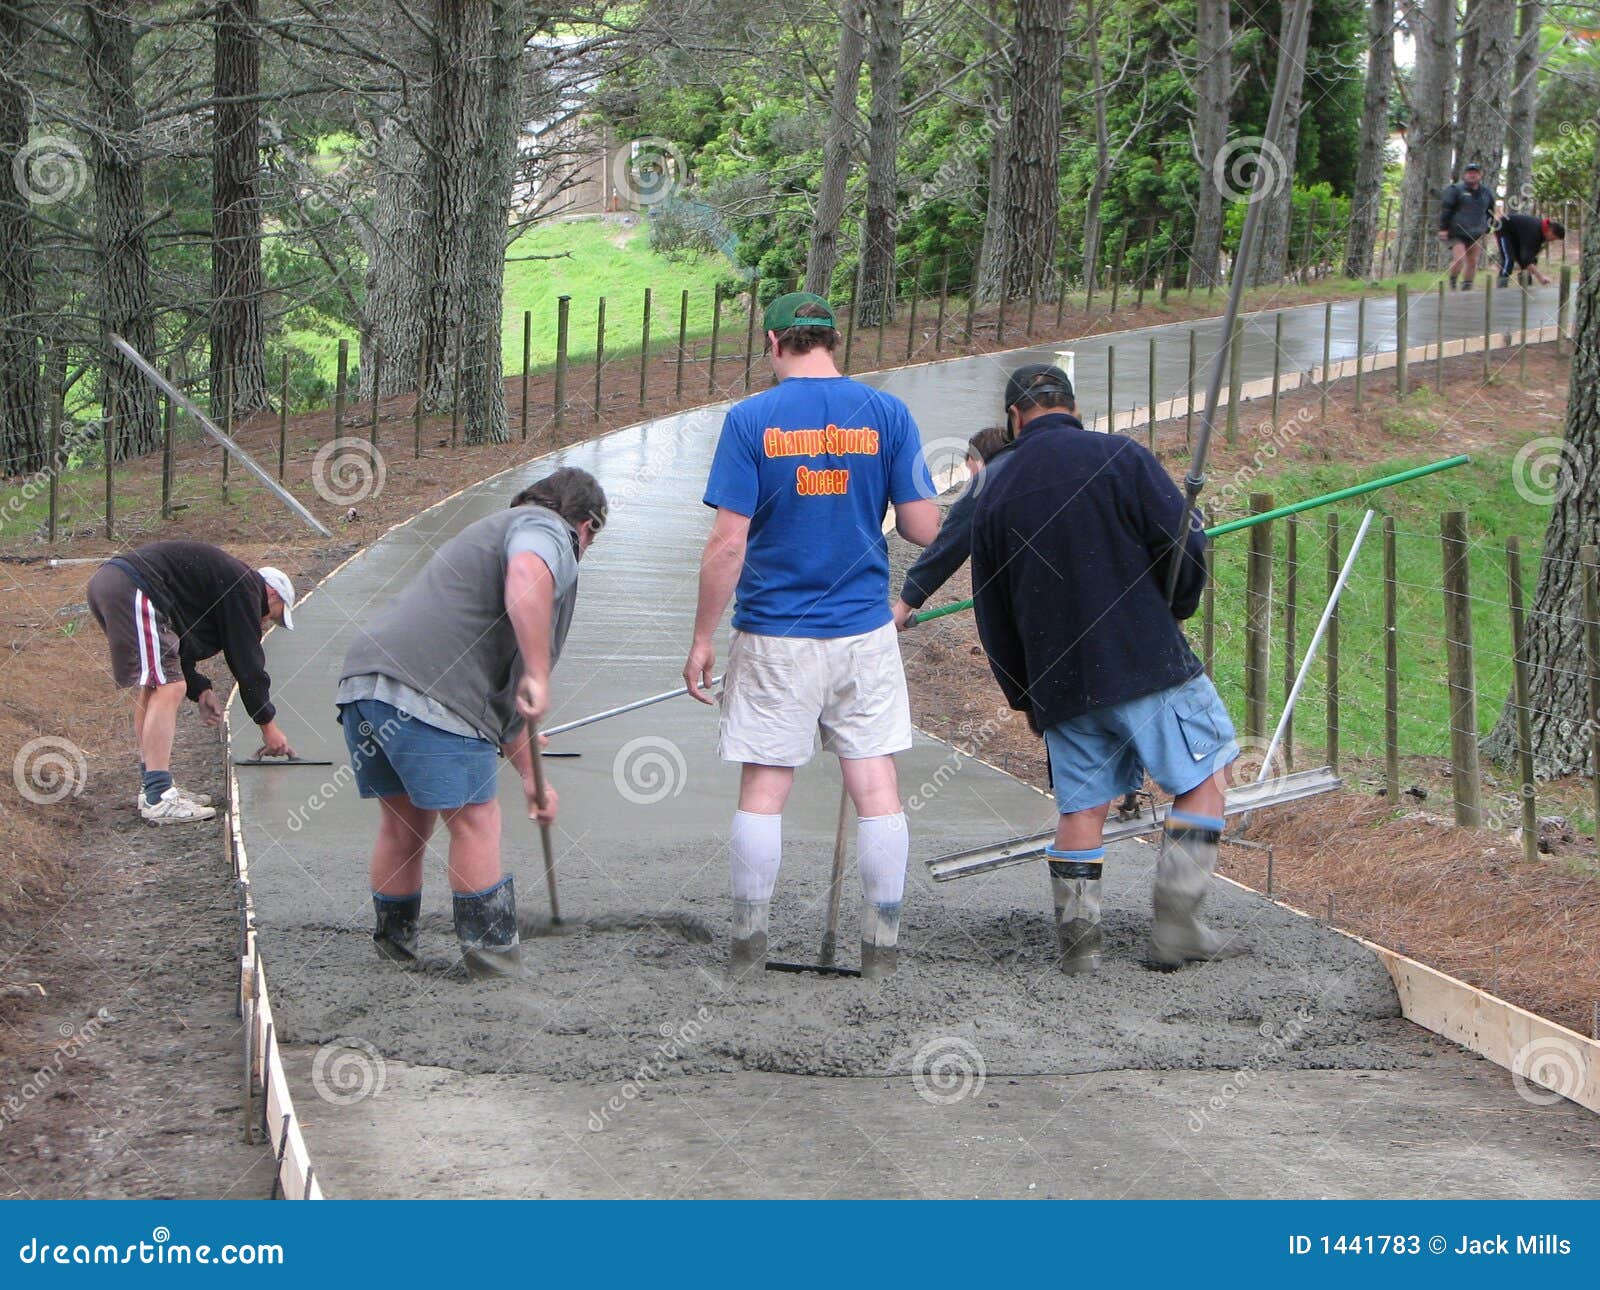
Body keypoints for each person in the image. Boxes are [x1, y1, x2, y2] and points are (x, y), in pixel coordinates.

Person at [682, 291, 939, 980]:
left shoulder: (749, 420)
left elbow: (727, 544)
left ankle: (748, 944)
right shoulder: (887, 413)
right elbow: (922, 528)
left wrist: (703, 636)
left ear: (773, 342)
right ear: (833, 340)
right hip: (863, 629)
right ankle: (881, 946)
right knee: (876, 785)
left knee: (765, 786)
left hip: (775, 632)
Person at [968, 366, 1241, 974]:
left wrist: (1025, 692)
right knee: (1207, 772)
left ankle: (1079, 948)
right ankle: (1177, 927)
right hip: (1145, 660)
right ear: (1072, 406)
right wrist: (1176, 606)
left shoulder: (993, 491)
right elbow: (1183, 542)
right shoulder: (1121, 457)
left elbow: (991, 608)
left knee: (1082, 808)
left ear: (1014, 417)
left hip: (1059, 680)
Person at [337, 468, 606, 979]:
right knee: (477, 821)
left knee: (403, 823)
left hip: (365, 685)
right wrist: (539, 671)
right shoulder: (547, 529)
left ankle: (394, 952)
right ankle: (493, 967)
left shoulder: (488, 536)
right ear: (587, 524)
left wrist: (533, 781)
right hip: (434, 694)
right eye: (592, 538)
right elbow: (526, 574)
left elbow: (505, 707)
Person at [87, 541, 297, 825]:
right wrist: (268, 728)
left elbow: (180, 643)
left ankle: (154, 786)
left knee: (155, 684)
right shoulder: (246, 588)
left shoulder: (226, 583)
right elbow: (247, 663)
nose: (265, 623)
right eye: (273, 615)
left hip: (114, 584)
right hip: (131, 586)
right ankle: (159, 797)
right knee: (169, 686)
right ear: (271, 593)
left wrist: (201, 689)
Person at [891, 424, 1010, 630]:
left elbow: (948, 546)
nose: (971, 481)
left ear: (979, 460)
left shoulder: (989, 480)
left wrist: (904, 606)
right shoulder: (1035, 463)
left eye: (972, 472)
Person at [1438, 163, 1497, 291]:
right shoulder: (1455, 189)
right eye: (1469, 173)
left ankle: (1467, 286)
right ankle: (1453, 281)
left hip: (1476, 232)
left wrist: (1487, 227)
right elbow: (1446, 209)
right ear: (1465, 175)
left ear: (1480, 175)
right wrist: (1443, 228)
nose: (1472, 175)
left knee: (1473, 261)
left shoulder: (1486, 192)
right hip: (1456, 231)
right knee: (1459, 259)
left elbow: (1490, 211)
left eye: (1475, 173)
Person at [1496, 212, 1564, 287]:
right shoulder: (1534, 232)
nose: (1552, 241)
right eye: (1554, 238)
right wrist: (1541, 277)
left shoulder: (1541, 234)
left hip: (1517, 234)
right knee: (1509, 259)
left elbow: (1531, 257)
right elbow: (1527, 259)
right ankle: (1501, 286)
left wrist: (1531, 266)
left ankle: (1526, 287)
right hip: (1504, 226)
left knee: (1526, 261)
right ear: (1550, 231)